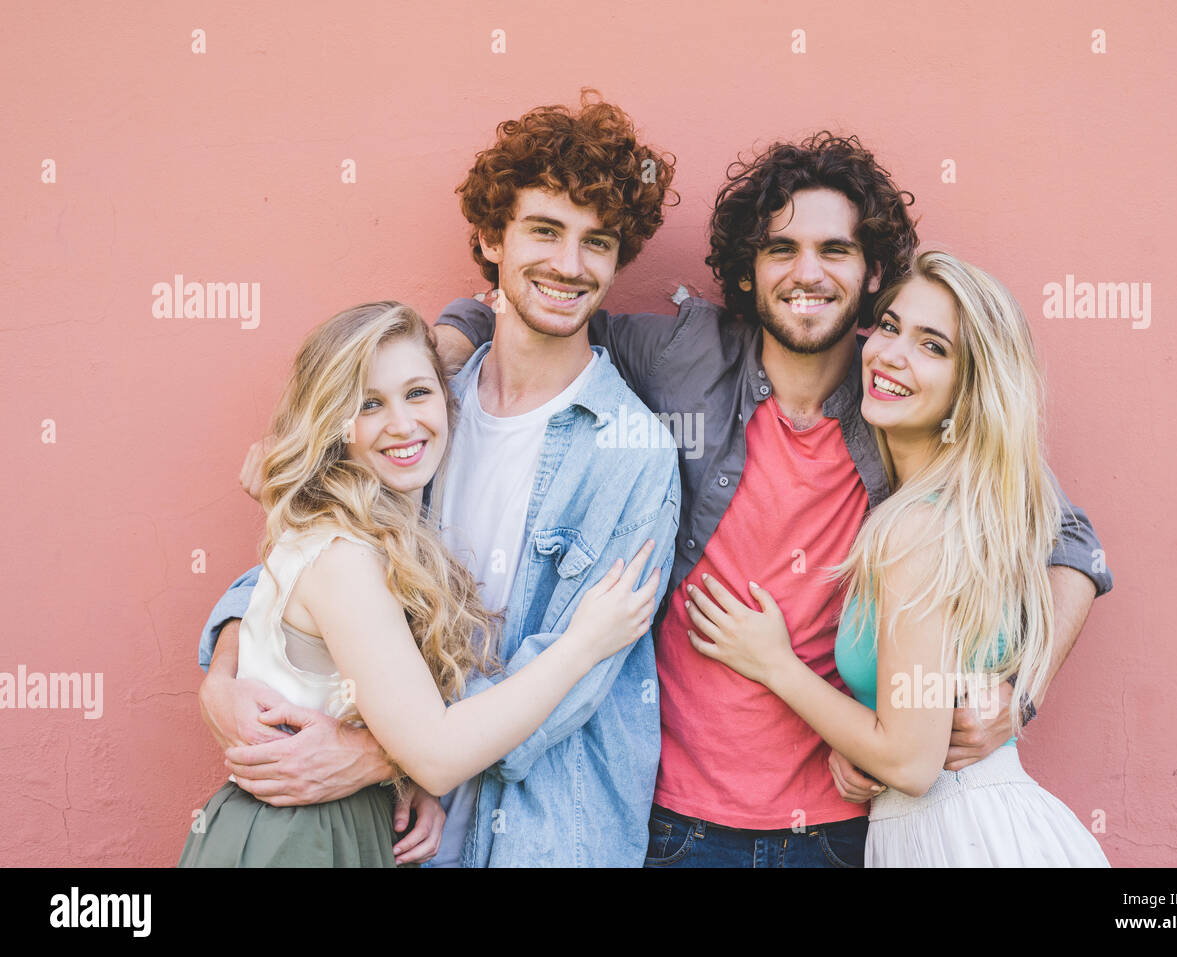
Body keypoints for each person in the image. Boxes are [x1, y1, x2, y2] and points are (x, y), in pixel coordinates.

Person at [434, 133, 1113, 867]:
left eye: (836, 250)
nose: (807, 273)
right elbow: (551, 308)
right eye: (781, 248)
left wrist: (1017, 696)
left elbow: (1069, 539)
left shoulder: (896, 392)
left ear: (872, 269)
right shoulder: (683, 359)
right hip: (672, 824)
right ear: (749, 272)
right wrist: (446, 345)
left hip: (842, 826)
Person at [196, 92, 681, 867]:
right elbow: (311, 546)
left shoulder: (632, 452)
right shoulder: (421, 407)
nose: (569, 264)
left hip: (537, 834)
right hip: (384, 837)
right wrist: (224, 666)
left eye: (598, 242)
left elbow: (579, 679)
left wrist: (383, 750)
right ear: (492, 238)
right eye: (545, 231)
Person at [179, 302, 659, 867]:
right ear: (333, 423)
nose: (403, 424)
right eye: (369, 405)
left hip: (344, 823)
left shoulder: (376, 534)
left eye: (417, 393)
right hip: (299, 837)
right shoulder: (343, 557)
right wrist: (582, 647)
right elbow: (435, 752)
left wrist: (400, 784)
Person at [684, 252, 1110, 866]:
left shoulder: (916, 526)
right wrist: (866, 742)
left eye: (934, 347)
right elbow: (911, 734)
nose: (890, 354)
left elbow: (911, 762)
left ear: (974, 388)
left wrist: (776, 664)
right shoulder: (965, 505)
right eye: (889, 327)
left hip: (968, 839)